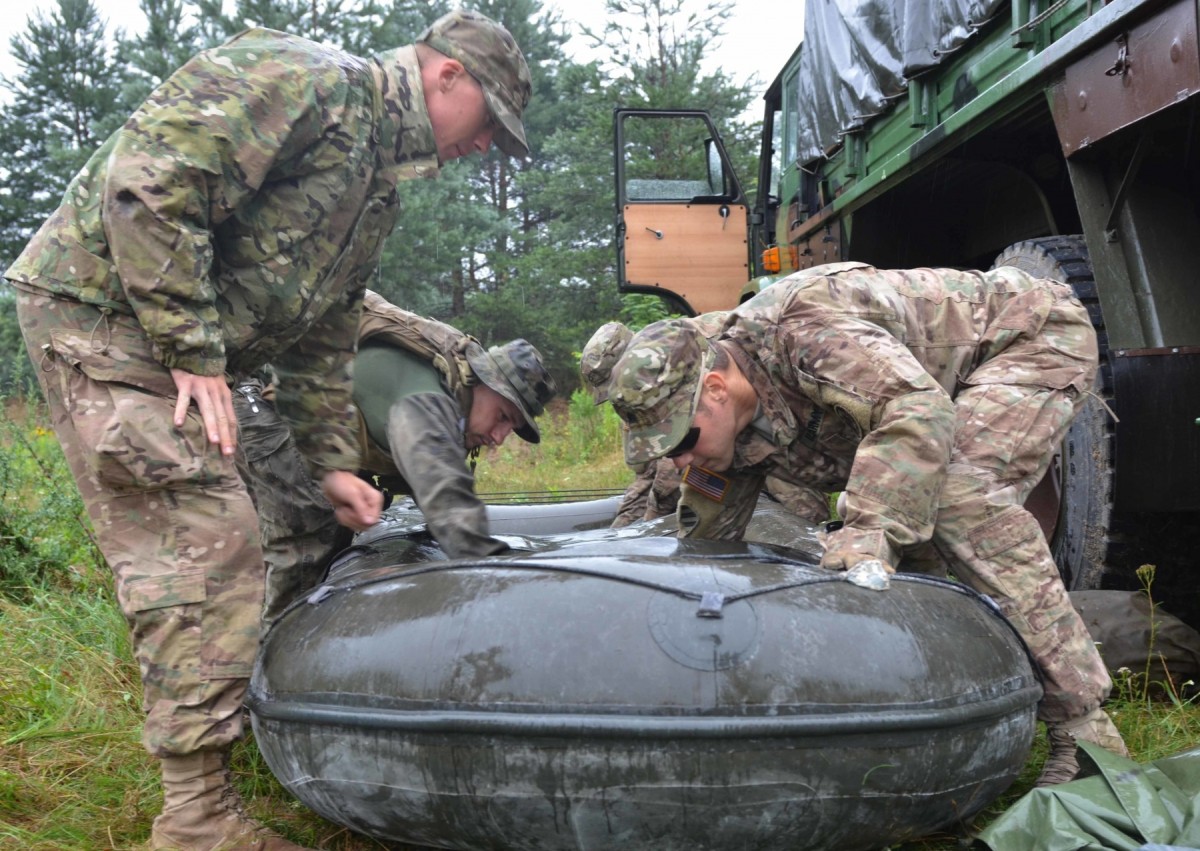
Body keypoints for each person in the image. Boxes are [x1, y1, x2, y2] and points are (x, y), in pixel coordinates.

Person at [5, 9, 532, 849]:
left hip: (189, 347)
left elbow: (324, 337)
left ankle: (221, 767)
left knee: (267, 529)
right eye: (488, 126)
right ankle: (196, 819)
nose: (482, 150)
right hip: (103, 315)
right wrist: (191, 349)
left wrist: (328, 463)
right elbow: (146, 183)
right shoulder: (307, 81)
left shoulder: (375, 189)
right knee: (207, 537)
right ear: (447, 77)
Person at [607, 260, 1129, 786]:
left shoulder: (801, 333)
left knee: (958, 498)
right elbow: (708, 540)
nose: (677, 462)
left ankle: (1085, 734)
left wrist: (868, 530)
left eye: (682, 441)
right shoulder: (723, 427)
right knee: (915, 530)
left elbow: (915, 410)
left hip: (1023, 337)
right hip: (931, 388)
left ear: (716, 390)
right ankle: (943, 710)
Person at [239, 290, 556, 626]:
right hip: (272, 415)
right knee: (308, 547)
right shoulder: (427, 401)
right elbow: (444, 495)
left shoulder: (457, 401)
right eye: (504, 417)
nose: (498, 437)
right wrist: (506, 582)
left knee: (335, 538)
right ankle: (277, 654)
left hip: (316, 431)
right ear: (482, 383)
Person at [580, 318, 827, 528]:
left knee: (799, 508)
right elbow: (646, 470)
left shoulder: (676, 355)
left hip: (768, 425)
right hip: (732, 433)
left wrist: (653, 514)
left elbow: (670, 466)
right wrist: (629, 528)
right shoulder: (640, 388)